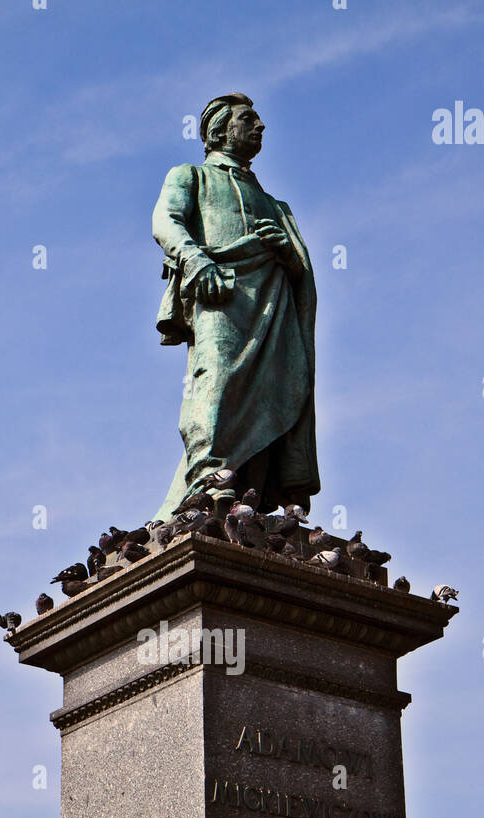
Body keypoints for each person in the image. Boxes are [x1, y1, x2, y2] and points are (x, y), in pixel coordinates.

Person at [153, 93, 319, 520]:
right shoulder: (190, 175)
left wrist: (289, 255)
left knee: (277, 390)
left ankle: (254, 496)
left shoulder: (277, 205)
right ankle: (208, 478)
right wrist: (195, 258)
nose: (261, 126)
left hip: (274, 303)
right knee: (218, 379)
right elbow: (165, 220)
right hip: (221, 293)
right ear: (218, 130)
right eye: (249, 119)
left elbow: (301, 270)